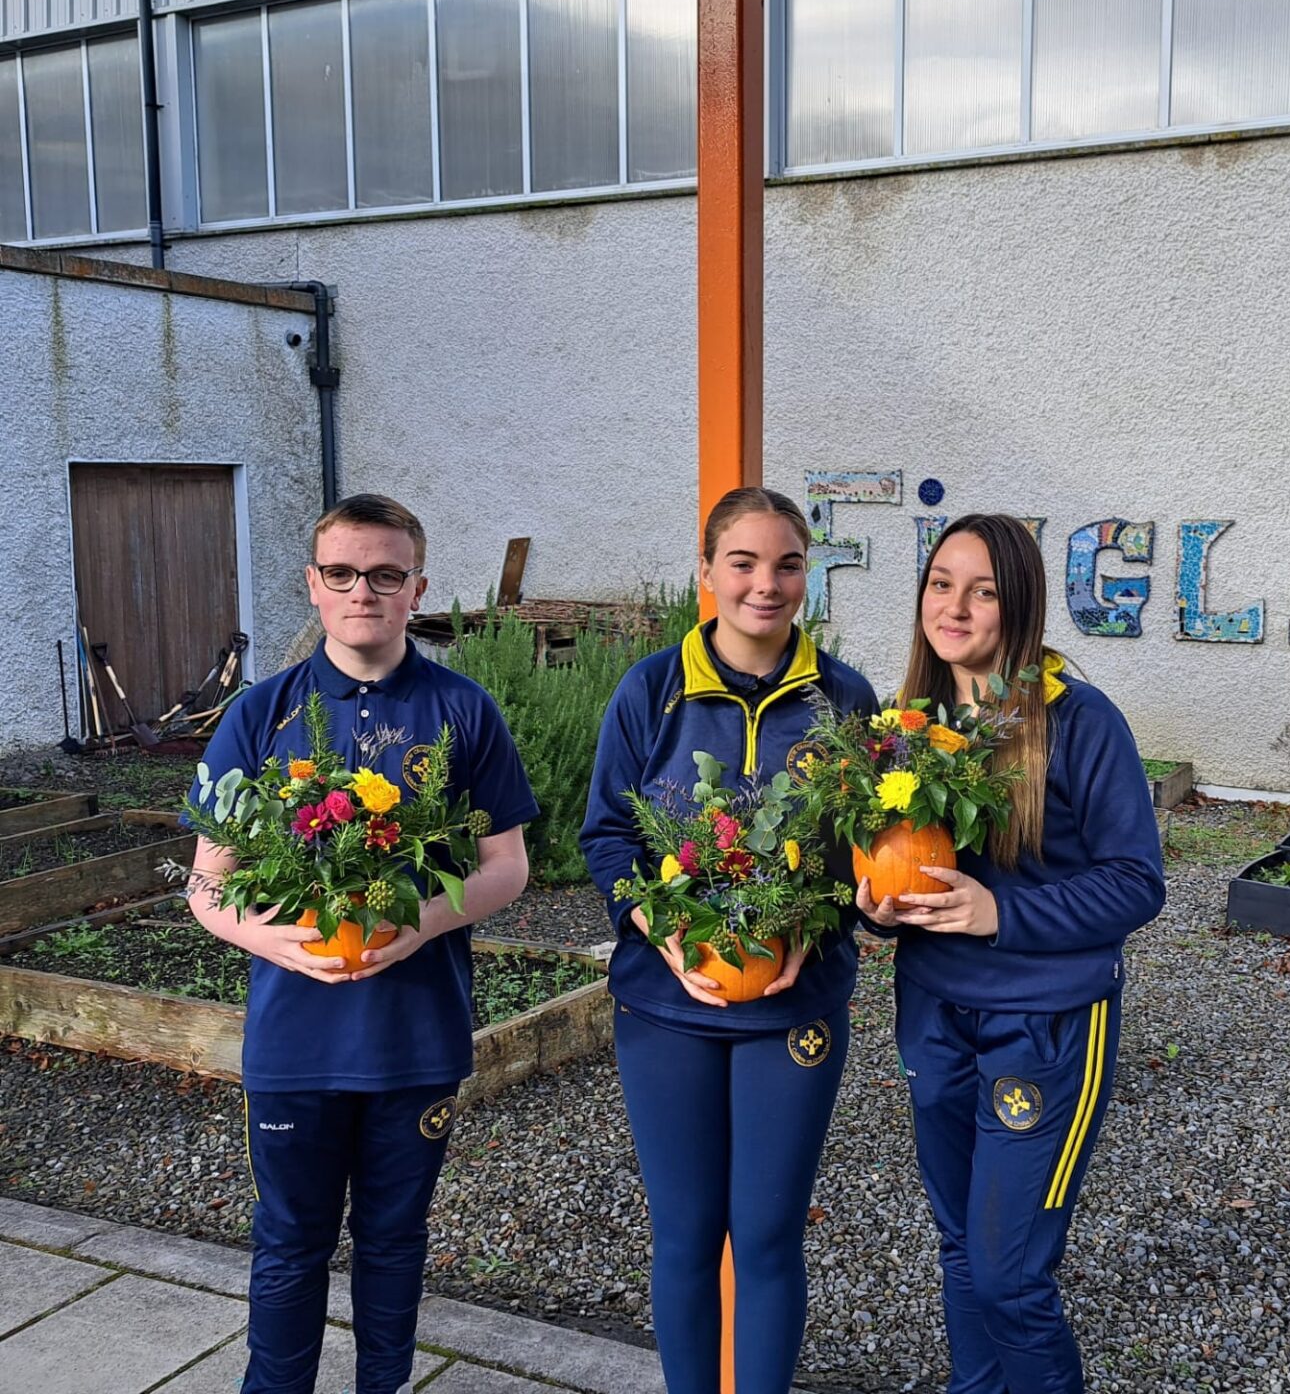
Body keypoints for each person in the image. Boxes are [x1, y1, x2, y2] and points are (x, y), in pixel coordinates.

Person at [185, 493, 538, 1394]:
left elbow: (507, 866)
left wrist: (420, 922)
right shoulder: (260, 716)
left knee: (393, 1241)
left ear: (416, 586)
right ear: (312, 585)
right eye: (341, 573)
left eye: (385, 574)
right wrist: (282, 941)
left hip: (413, 1037)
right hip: (294, 1038)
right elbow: (206, 883)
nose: (363, 591)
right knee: (290, 1242)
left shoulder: (463, 711)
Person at [858, 514, 1164, 1394]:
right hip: (934, 1010)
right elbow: (895, 869)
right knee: (961, 1252)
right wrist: (878, 909)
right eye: (941, 582)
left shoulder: (1080, 722)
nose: (955, 606)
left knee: (1010, 1274)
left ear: (1019, 603)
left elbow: (1137, 883)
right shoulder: (904, 727)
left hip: (1047, 1022)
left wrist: (1001, 912)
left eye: (983, 589)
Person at [581, 486, 877, 1394]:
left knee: (767, 1234)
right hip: (665, 1005)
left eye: (788, 564)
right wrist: (664, 933)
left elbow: (864, 854)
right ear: (706, 571)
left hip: (797, 1001)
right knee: (684, 1234)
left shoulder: (843, 697)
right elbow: (605, 838)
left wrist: (814, 929)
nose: (766, 584)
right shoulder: (651, 690)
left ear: (807, 575)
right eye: (743, 563)